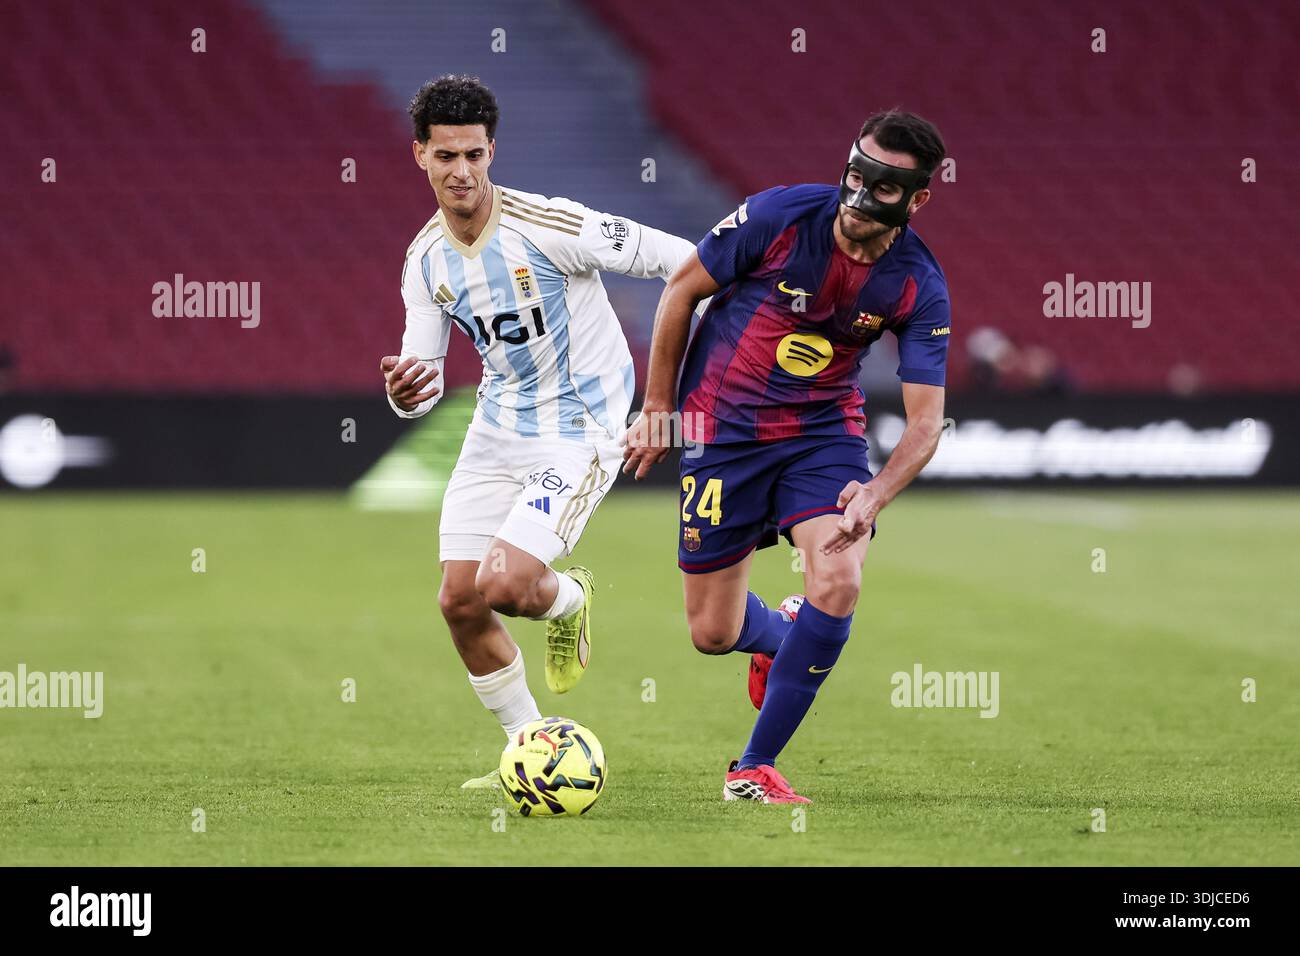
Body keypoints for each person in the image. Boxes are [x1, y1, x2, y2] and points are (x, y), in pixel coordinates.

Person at [623, 111, 952, 803]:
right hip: (722, 431)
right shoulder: (778, 216)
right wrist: (658, 409)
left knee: (839, 578)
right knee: (712, 634)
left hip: (821, 436)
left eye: (884, 188)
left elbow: (926, 423)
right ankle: (780, 633)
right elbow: (682, 290)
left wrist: (874, 493)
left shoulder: (918, 283)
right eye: (856, 176)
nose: (860, 197)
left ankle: (752, 767)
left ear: (918, 198)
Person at [382, 75, 695, 787]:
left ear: (493, 151)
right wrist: (404, 392)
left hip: (579, 428)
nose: (461, 171)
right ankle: (531, 748)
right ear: (419, 157)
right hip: (496, 427)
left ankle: (571, 598)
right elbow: (421, 382)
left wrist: (661, 395)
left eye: (473, 155)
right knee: (459, 600)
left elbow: (681, 262)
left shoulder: (550, 225)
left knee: (506, 583)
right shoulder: (425, 260)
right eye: (445, 156)